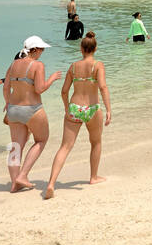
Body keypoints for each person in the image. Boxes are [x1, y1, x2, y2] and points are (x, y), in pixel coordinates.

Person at [44, 32, 111, 200]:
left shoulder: (73, 67)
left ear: (81, 49)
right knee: (96, 142)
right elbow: (102, 87)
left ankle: (51, 183)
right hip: (92, 108)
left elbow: (64, 91)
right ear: (95, 48)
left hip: (75, 107)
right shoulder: (98, 65)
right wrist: (109, 109)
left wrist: (67, 108)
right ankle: (93, 177)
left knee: (65, 147)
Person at [2, 37, 62, 193]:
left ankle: (15, 184)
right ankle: (22, 175)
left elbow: (6, 88)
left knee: (16, 147)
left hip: (13, 109)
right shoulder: (38, 65)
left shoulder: (13, 64)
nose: (42, 52)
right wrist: (52, 79)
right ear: (35, 49)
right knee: (41, 140)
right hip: (32, 109)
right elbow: (39, 89)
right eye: (42, 49)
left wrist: (8, 104)